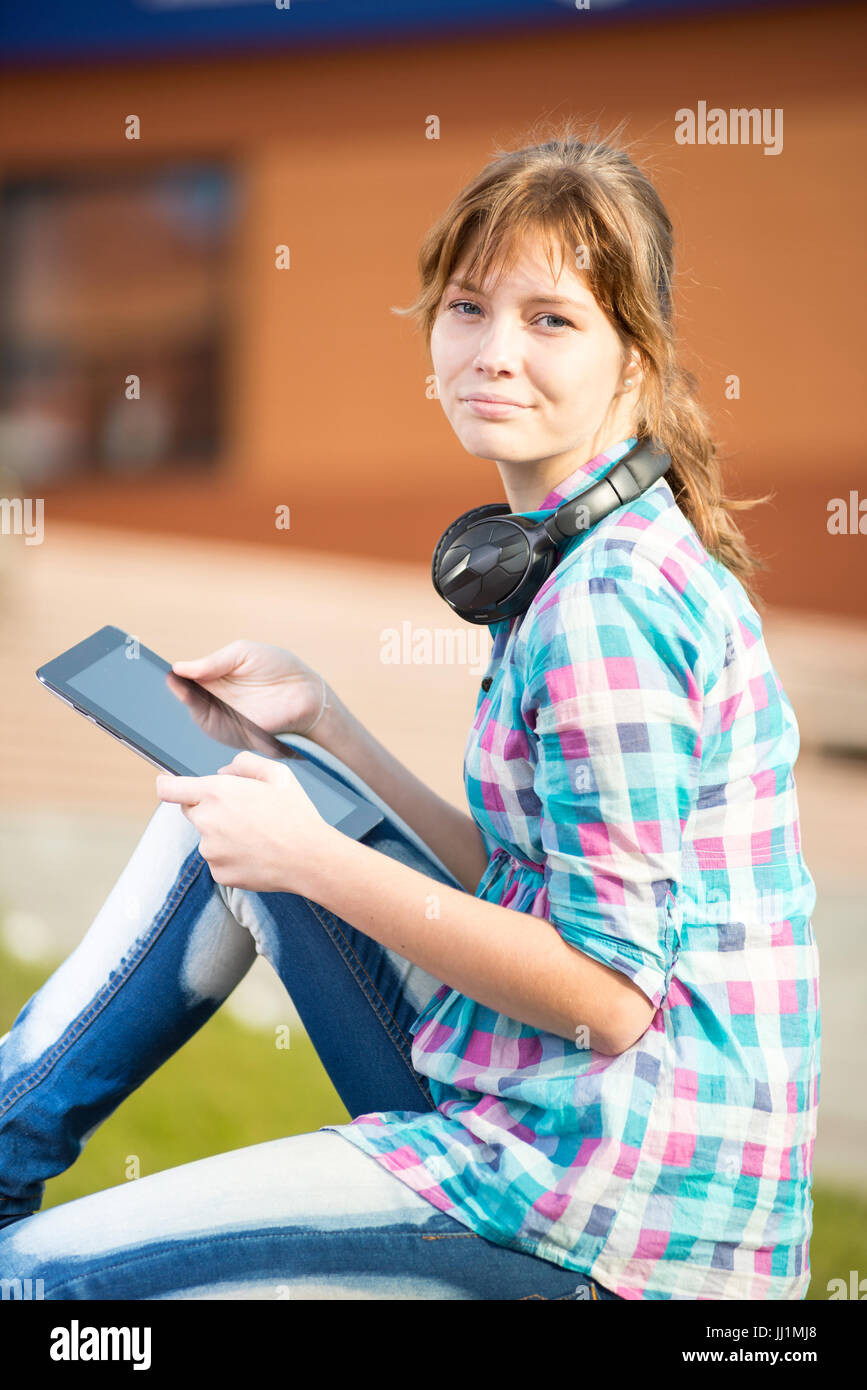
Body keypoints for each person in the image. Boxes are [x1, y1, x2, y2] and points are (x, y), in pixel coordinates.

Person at [0, 125, 819, 1301]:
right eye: (468, 306)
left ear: (634, 362)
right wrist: (333, 729)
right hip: (560, 1121)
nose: (494, 351)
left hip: (610, 1216)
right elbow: (539, 880)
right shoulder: (577, 555)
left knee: (36, 1283)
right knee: (236, 803)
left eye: (551, 319)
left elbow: (606, 991)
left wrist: (317, 859)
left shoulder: (608, 608)